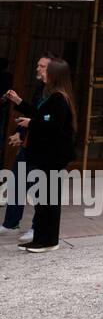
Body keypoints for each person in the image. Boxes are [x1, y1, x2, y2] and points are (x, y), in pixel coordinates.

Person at [4, 56, 77, 253]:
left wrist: (31, 124)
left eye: (46, 69)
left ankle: (47, 240)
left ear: (55, 74)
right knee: (44, 201)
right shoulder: (51, 95)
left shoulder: (59, 98)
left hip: (53, 157)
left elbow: (53, 126)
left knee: (48, 201)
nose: (41, 71)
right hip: (46, 156)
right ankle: (42, 238)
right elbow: (41, 115)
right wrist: (23, 107)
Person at [1, 53, 50, 240]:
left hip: (43, 148)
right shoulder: (41, 89)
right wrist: (20, 134)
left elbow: (47, 121)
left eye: (42, 66)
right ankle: (11, 223)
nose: (37, 68)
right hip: (29, 145)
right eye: (38, 65)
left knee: (38, 189)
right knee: (16, 184)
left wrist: (32, 124)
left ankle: (39, 227)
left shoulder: (58, 94)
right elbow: (35, 115)